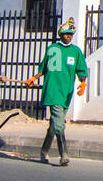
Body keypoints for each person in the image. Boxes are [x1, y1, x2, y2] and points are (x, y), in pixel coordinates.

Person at [24, 17, 89, 166]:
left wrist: (83, 83)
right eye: (66, 34)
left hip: (66, 91)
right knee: (60, 125)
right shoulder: (52, 49)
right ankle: (64, 154)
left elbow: (81, 69)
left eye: (71, 34)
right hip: (52, 90)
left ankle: (43, 151)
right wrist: (33, 78)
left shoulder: (76, 51)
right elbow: (44, 67)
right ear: (61, 34)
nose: (69, 36)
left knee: (55, 125)